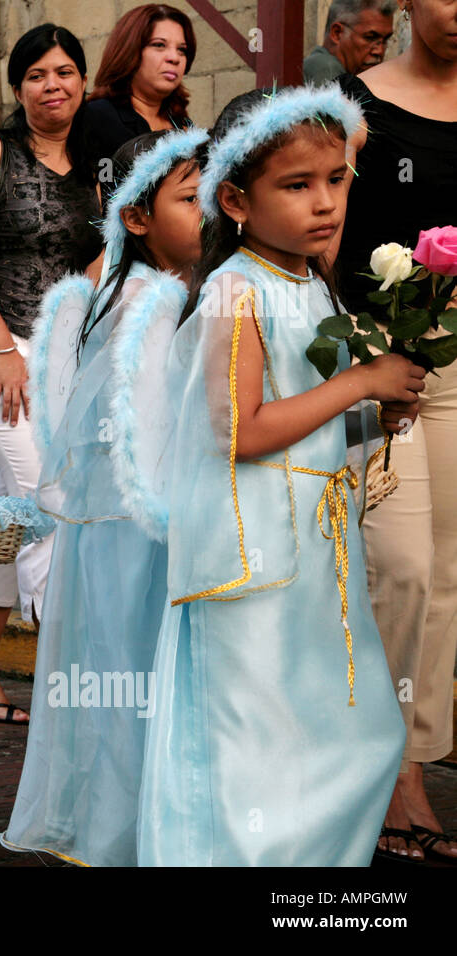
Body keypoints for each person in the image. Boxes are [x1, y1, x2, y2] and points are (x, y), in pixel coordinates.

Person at [137, 86, 415, 866]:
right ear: (234, 199)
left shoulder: (309, 285)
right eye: (297, 186)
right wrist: (360, 384)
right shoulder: (236, 291)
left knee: (336, 726)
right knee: (253, 736)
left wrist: (375, 414)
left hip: (313, 549)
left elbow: (309, 410)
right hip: (250, 554)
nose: (324, 203)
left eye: (335, 179)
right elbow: (244, 431)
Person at [0, 128, 204, 865]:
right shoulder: (152, 302)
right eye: (190, 198)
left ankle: (104, 820)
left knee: (109, 674)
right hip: (138, 522)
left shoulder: (125, 290)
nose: (208, 211)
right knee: (132, 674)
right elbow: (147, 421)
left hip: (106, 521)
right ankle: (126, 829)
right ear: (137, 218)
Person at [0, 24, 102, 723]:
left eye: (65, 71)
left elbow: (111, 247)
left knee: (14, 502)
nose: (53, 84)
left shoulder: (98, 161)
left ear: (83, 83)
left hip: (64, 351)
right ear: (18, 87)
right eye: (37, 74)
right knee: (44, 497)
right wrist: (4, 348)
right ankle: (71, 677)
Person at [336, 0, 457, 864]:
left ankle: (410, 757)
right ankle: (385, 763)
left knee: (447, 571)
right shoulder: (358, 106)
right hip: (391, 356)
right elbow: (324, 228)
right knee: (402, 565)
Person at [85, 5, 196, 178]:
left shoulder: (183, 123)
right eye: (159, 45)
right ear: (129, 51)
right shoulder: (95, 116)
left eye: (181, 49)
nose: (174, 58)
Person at [304, 0, 397, 85]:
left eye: (385, 40)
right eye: (370, 38)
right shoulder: (326, 69)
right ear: (337, 33)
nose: (379, 51)